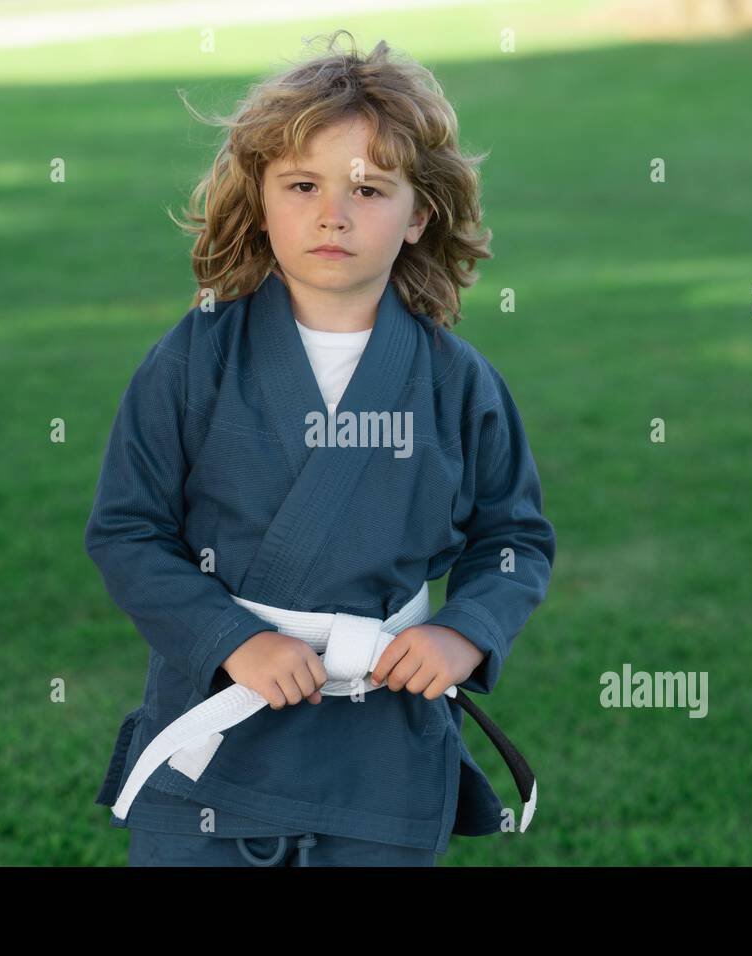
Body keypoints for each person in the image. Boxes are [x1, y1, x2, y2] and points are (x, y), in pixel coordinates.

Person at [84, 29, 555, 867]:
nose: (334, 213)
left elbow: (513, 539)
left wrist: (464, 634)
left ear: (419, 217)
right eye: (303, 184)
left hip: (381, 755)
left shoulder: (458, 382)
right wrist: (233, 639)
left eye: (370, 189)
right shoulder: (194, 360)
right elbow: (127, 532)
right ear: (262, 202)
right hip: (216, 750)